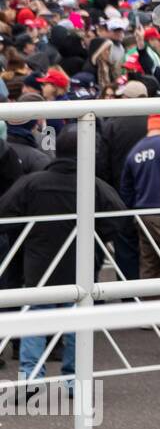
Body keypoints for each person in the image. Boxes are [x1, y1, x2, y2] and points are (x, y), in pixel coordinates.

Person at [0, 125, 125, 385]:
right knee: (77, 324)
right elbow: (118, 219)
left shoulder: (32, 183)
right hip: (80, 265)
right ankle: (73, 380)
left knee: (35, 320)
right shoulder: (95, 186)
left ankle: (30, 378)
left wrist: (27, 234)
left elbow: (6, 214)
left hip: (38, 263)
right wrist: (97, 238)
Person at [120, 112, 160, 283]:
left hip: (143, 213)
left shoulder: (135, 150)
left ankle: (147, 305)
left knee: (150, 265)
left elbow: (126, 189)